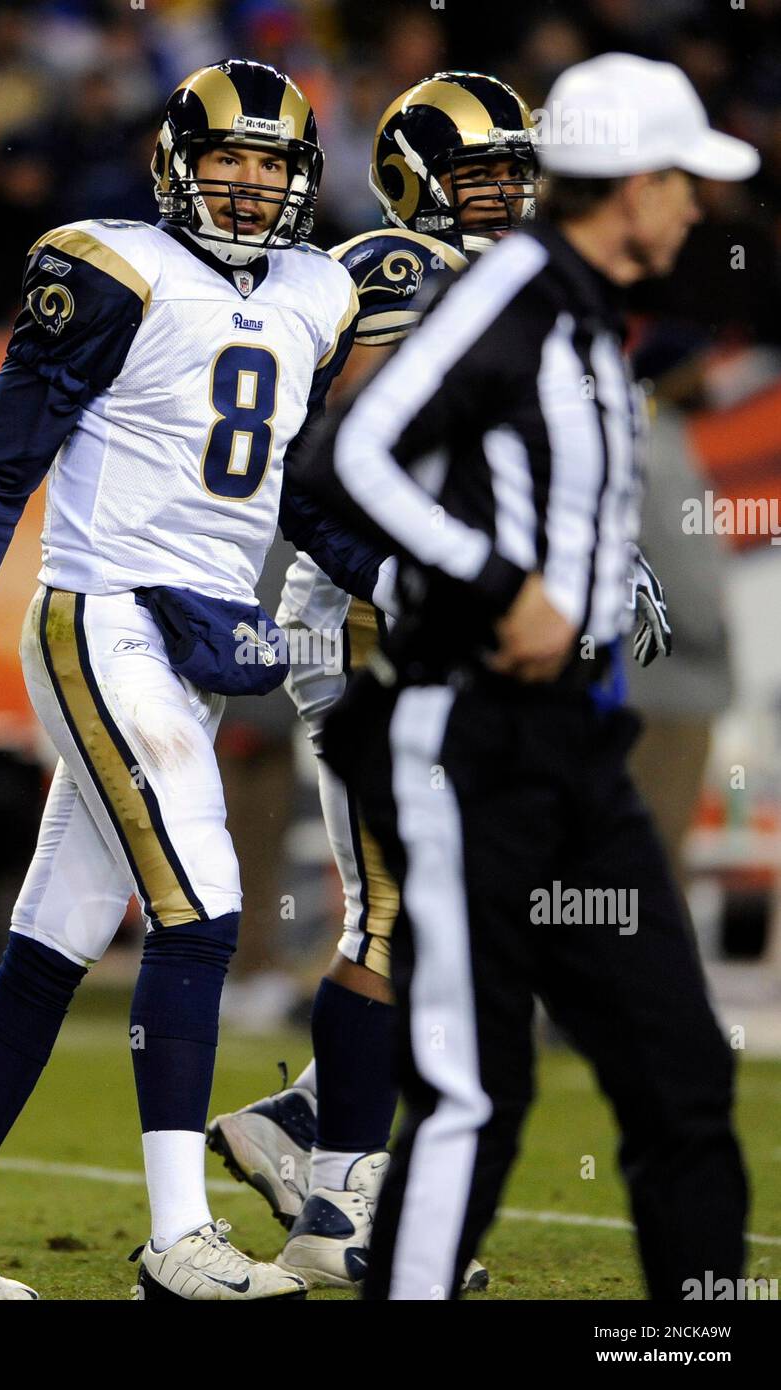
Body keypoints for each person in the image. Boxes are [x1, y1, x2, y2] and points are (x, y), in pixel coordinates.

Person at [0, 58, 395, 1302]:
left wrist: (401, 576)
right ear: (174, 162)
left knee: (53, 940)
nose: (247, 179)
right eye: (225, 155)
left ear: (298, 177)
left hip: (200, 636)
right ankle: (177, 1239)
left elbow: (292, 490)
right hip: (102, 617)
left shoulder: (319, 291)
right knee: (203, 908)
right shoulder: (111, 265)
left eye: (271, 162)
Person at [289, 53, 759, 1301]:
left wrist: (594, 590)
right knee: (471, 1087)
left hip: (565, 746)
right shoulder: (506, 290)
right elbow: (345, 460)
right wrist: (499, 588)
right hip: (461, 735)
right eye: (680, 184)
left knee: (677, 1071)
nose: (693, 212)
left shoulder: (585, 305)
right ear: (632, 183)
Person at [207, 71, 536, 1291]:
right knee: (390, 913)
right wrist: (395, 575)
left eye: (513, 169)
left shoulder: (521, 289)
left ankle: (296, 1127)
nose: (500, 192)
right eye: (476, 173)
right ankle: (338, 1210)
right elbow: (315, 469)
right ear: (412, 179)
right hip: (359, 619)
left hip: (444, 628)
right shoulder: (395, 268)